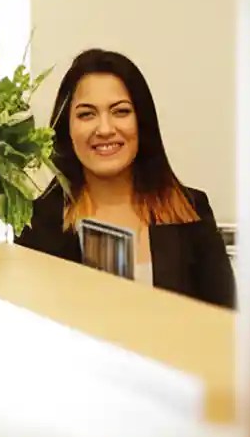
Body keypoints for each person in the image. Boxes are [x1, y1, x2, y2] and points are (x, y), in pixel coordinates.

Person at [15, 49, 236, 309]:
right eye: (87, 114)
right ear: (67, 128)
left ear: (141, 122)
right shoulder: (37, 222)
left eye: (120, 112)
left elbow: (227, 327)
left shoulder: (190, 211)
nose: (105, 129)